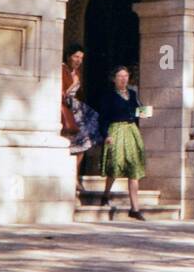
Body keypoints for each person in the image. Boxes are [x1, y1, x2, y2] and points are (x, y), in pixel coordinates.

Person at [99, 66, 147, 222]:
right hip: (116, 130)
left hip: (131, 131)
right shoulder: (108, 96)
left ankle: (135, 208)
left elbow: (137, 111)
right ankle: (105, 195)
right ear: (114, 78)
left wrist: (144, 112)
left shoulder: (132, 94)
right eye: (120, 76)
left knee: (134, 169)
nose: (123, 79)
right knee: (115, 165)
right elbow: (103, 117)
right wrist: (106, 134)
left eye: (126, 76)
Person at [60, 44, 100, 190]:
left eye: (81, 58)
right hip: (65, 110)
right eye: (76, 56)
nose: (78, 60)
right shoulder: (62, 70)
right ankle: (70, 176)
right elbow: (61, 93)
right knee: (70, 145)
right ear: (68, 56)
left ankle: (74, 176)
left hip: (77, 111)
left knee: (84, 143)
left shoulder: (76, 72)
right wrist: (74, 84)